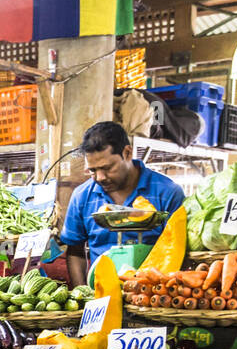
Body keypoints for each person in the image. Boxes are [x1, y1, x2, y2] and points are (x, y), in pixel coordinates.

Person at [59, 121, 184, 287]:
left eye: (108, 168)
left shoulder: (167, 193)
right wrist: (82, 293)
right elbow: (75, 252)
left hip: (153, 295)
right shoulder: (82, 196)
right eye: (93, 170)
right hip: (102, 295)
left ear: (127, 153)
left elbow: (179, 248)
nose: (100, 177)